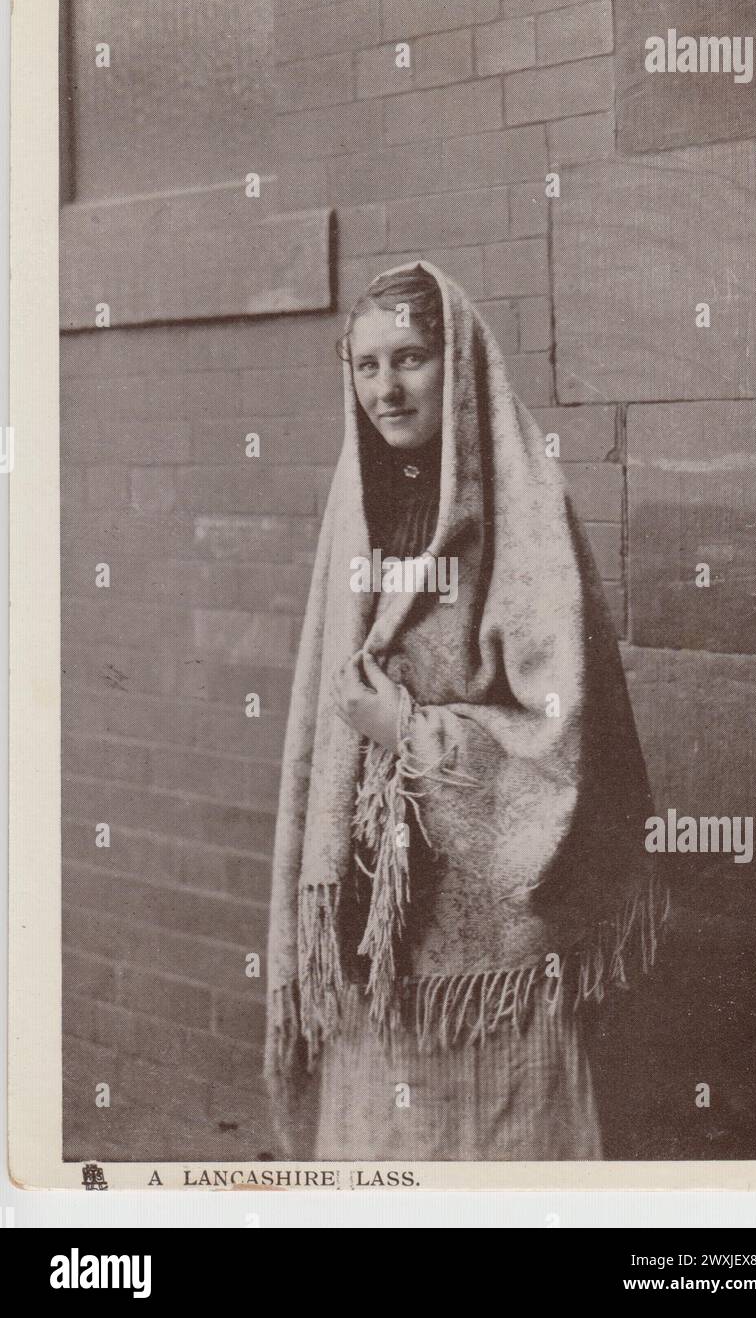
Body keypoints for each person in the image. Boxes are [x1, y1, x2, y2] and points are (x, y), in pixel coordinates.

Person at [262, 259, 671, 1162]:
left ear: (461, 366)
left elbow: (561, 735)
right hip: (378, 902)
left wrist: (409, 734)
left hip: (491, 927)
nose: (385, 388)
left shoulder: (525, 508)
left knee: (496, 1137)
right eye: (365, 365)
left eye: (410, 359)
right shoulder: (356, 505)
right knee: (382, 1137)